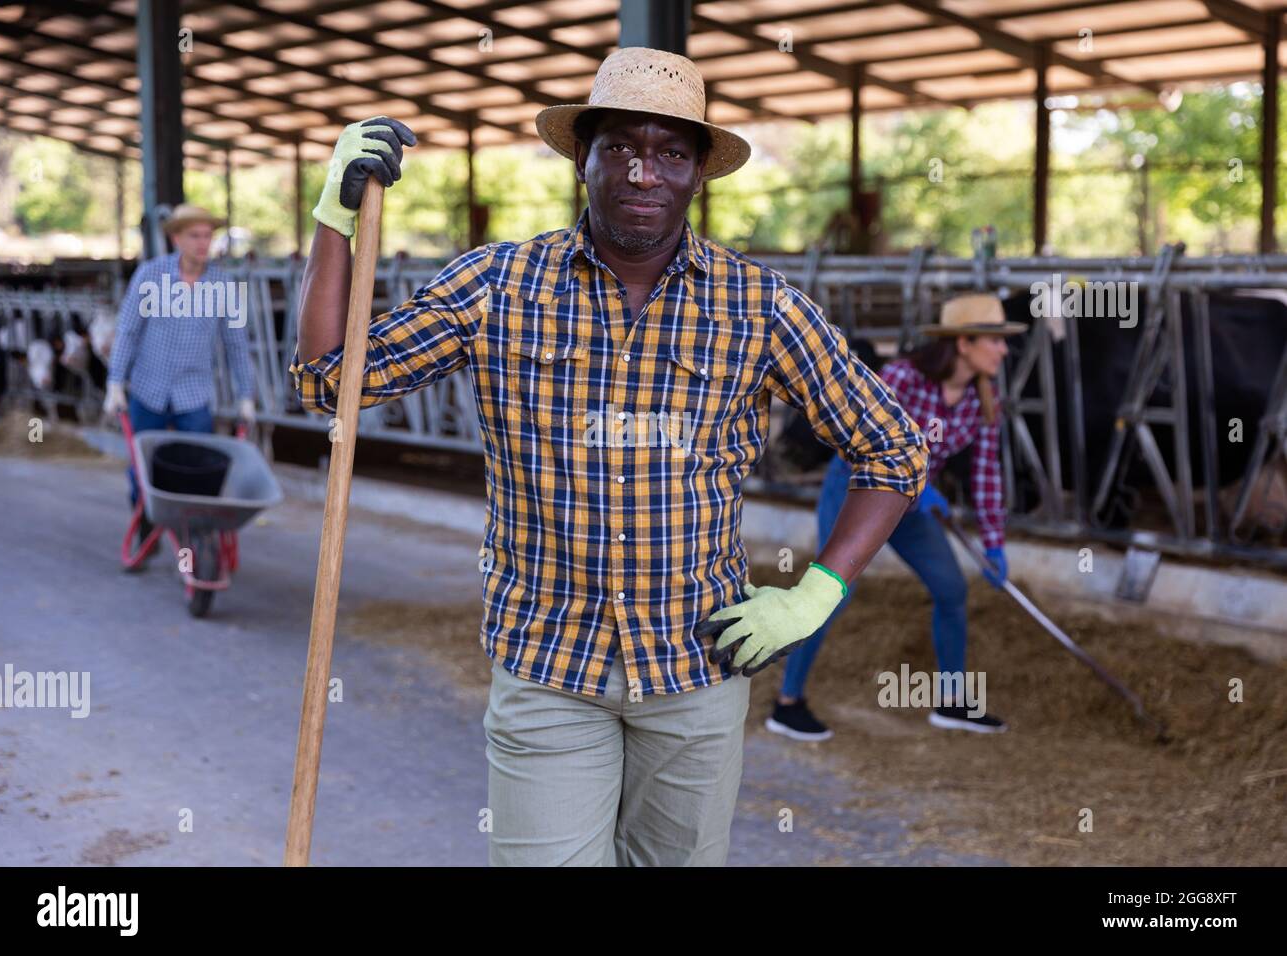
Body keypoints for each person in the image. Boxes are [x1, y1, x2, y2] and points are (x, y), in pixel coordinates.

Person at [291, 47, 928, 867]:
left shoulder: (758, 306)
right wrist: (334, 219)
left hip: (696, 668)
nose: (642, 172)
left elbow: (895, 449)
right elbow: (331, 381)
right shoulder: (499, 286)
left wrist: (814, 595)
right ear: (582, 159)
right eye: (620, 147)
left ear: (700, 173)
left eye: (669, 152)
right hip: (549, 667)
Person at [768, 293, 1026, 741]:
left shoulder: (982, 399)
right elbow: (860, 440)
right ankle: (786, 704)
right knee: (829, 594)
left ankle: (951, 700)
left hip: (911, 508)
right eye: (995, 340)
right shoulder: (903, 377)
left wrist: (994, 542)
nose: (1004, 350)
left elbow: (986, 474)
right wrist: (920, 487)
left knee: (950, 588)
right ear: (964, 343)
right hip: (857, 492)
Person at [103, 204, 256, 552]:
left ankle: (195, 538)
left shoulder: (223, 284)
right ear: (176, 238)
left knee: (197, 470)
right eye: (194, 236)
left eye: (207, 236)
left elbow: (236, 343)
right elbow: (127, 331)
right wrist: (115, 383)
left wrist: (246, 395)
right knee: (141, 469)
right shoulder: (149, 275)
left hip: (193, 394)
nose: (203, 244)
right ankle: (145, 521)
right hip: (148, 389)